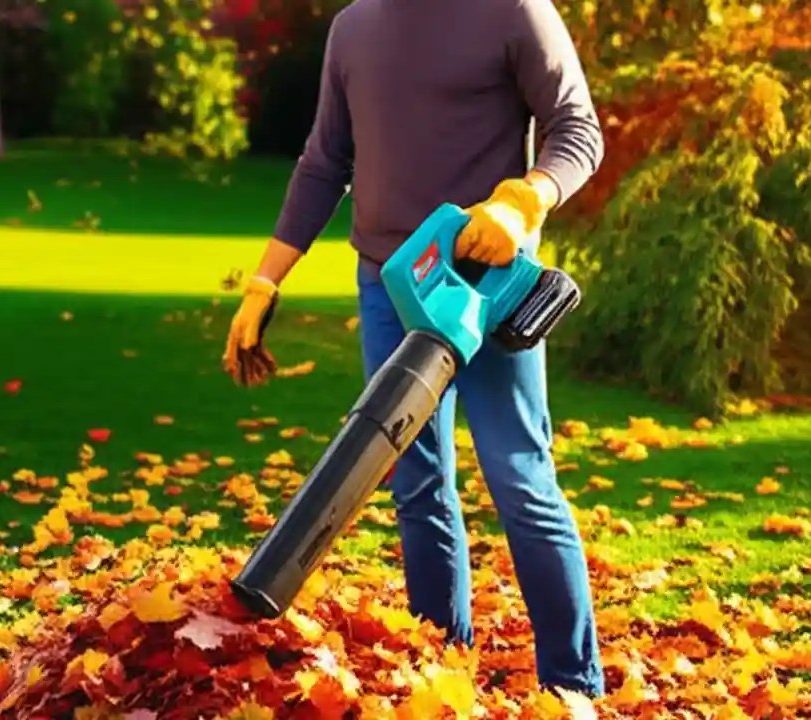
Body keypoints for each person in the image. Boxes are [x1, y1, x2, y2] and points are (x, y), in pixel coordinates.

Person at [221, 0, 607, 702]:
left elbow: (577, 129)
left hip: (485, 285)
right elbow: (323, 164)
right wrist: (263, 282)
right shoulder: (356, 25)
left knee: (519, 476)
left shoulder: (515, 11)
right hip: (391, 283)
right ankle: (438, 670)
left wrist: (523, 200)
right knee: (416, 482)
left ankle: (573, 684)